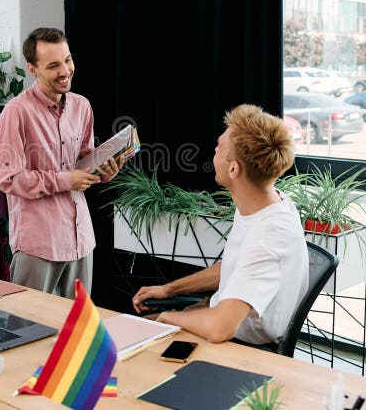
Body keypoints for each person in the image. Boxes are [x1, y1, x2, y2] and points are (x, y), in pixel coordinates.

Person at [131, 104, 308, 347]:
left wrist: (168, 317)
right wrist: (169, 289)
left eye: (219, 147)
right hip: (221, 316)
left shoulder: (267, 238)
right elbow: (236, 267)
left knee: (128, 342)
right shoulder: (266, 201)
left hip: (240, 345)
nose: (214, 150)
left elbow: (219, 328)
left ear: (234, 168)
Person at [0, 27, 123, 299]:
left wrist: (105, 170)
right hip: (38, 244)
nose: (65, 71)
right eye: (53, 66)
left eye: (68, 60)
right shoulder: (16, 112)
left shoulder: (82, 106)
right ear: (33, 69)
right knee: (29, 321)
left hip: (81, 241)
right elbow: (7, 178)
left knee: (77, 323)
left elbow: (84, 161)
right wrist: (66, 180)